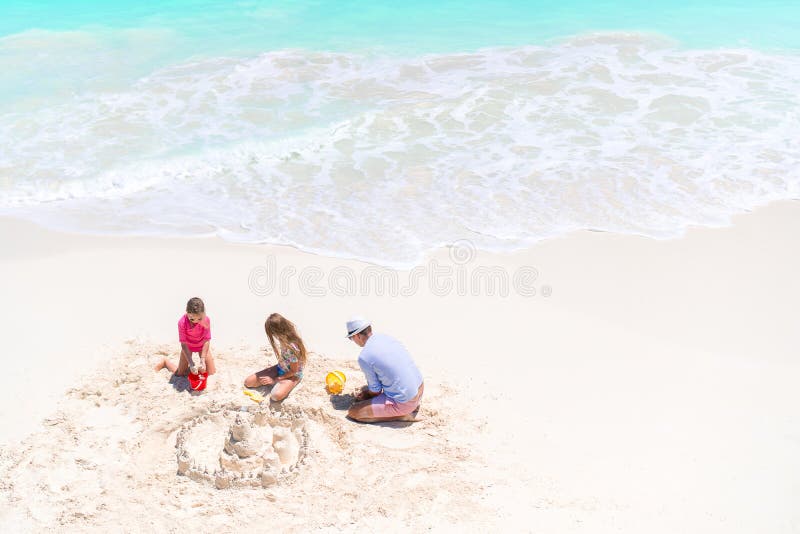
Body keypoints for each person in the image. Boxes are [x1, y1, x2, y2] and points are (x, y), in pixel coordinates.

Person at [346, 316, 424, 423]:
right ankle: (404, 409)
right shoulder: (386, 337)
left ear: (357, 336)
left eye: (351, 338)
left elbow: (376, 391)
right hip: (419, 388)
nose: (353, 341)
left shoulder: (364, 356)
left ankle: (400, 416)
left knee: (354, 412)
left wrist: (366, 396)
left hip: (406, 402)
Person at [243, 313, 307, 402]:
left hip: (293, 374)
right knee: (248, 382)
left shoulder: (292, 348)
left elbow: (294, 371)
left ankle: (294, 382)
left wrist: (274, 379)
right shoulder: (284, 338)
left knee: (275, 396)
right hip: (281, 367)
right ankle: (278, 380)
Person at [154, 297, 216, 377]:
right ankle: (165, 362)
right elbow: (183, 344)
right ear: (187, 313)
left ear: (203, 313)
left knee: (211, 373)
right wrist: (190, 362)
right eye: (192, 319)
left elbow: (206, 341)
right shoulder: (182, 322)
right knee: (180, 373)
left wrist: (202, 359)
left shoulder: (206, 320)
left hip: (201, 346)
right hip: (188, 347)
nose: (196, 321)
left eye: (199, 319)